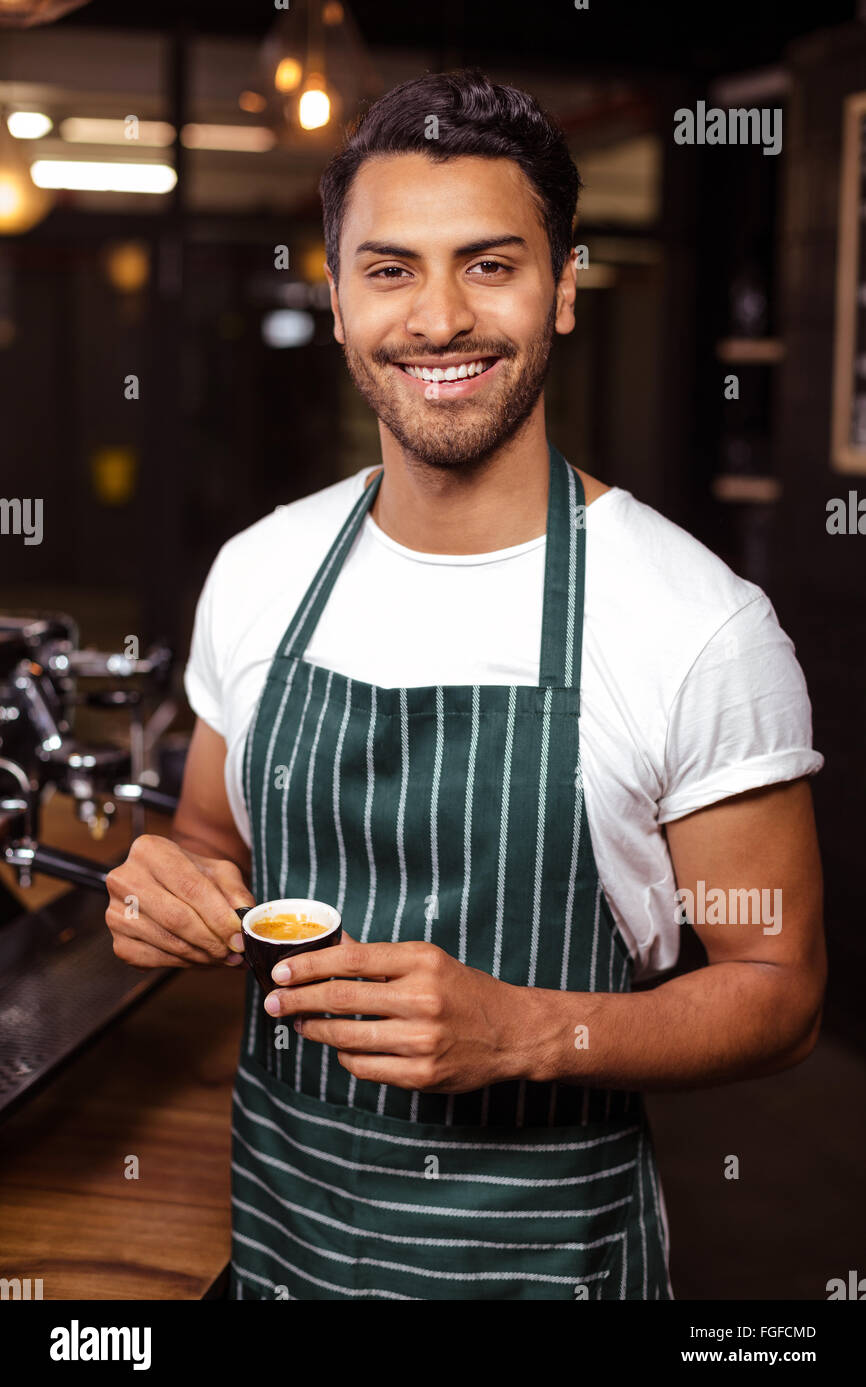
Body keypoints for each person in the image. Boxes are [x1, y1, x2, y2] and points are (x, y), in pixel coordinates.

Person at [105, 69, 826, 1301]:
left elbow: (777, 988)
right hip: (281, 1241)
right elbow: (210, 834)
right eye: (389, 270)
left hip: (542, 1262)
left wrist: (527, 1031)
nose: (437, 319)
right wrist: (166, 889)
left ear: (561, 291)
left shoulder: (695, 621)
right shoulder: (260, 570)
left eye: (488, 264)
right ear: (335, 303)